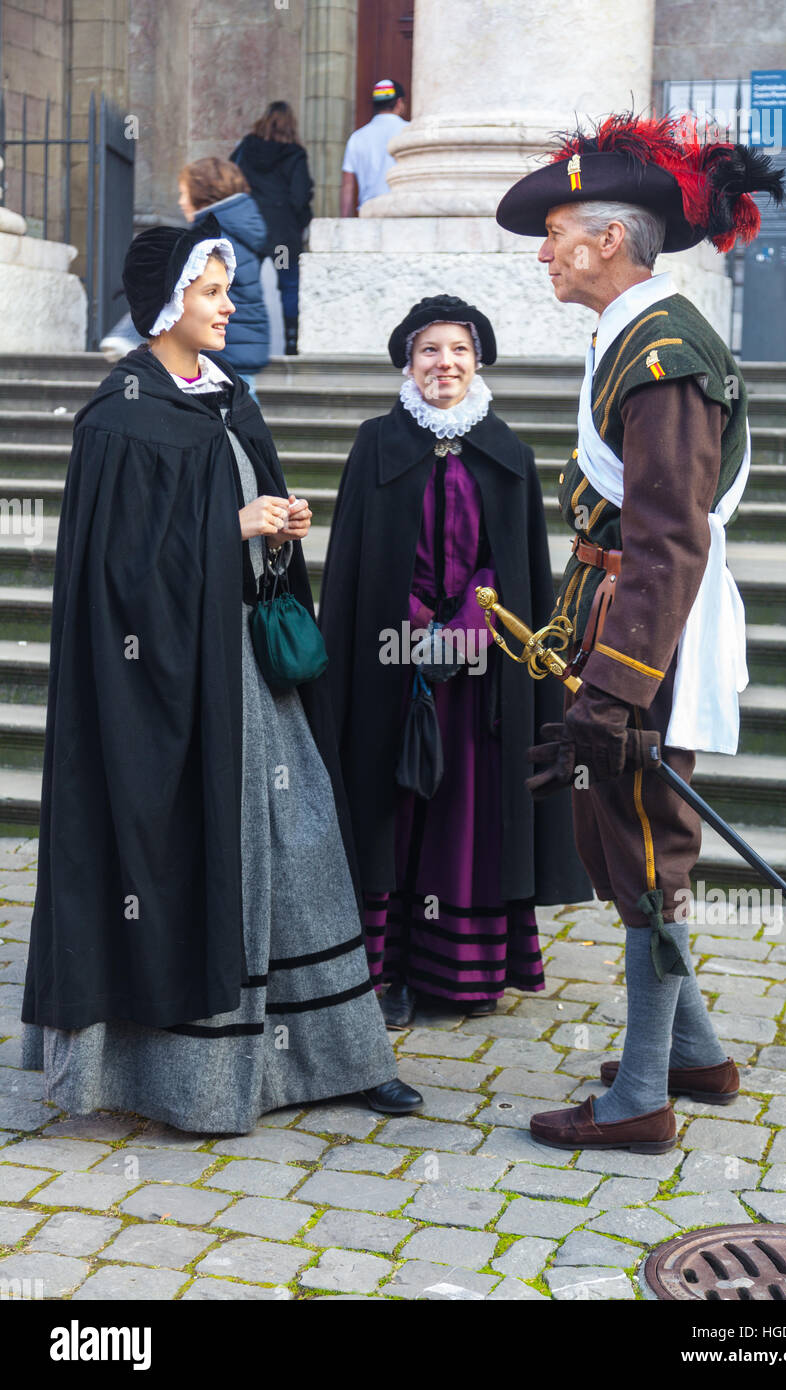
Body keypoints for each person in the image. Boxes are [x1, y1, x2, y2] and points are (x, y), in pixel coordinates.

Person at [20, 213, 422, 1132]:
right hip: (169, 685)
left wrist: (277, 524)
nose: (228, 307)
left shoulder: (228, 393)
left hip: (253, 668)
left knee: (305, 841)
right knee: (211, 854)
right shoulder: (120, 417)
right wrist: (229, 530)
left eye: (227, 290)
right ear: (167, 305)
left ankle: (339, 1053)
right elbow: (113, 576)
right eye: (211, 293)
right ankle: (190, 1080)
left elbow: (235, 503)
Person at [495, 113, 785, 1152]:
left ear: (607, 240)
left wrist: (613, 690)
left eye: (557, 231)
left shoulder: (662, 353)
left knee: (642, 847)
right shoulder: (634, 336)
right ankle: (691, 1055)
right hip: (627, 623)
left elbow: (668, 536)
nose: (544, 251)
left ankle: (640, 1100)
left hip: (651, 635)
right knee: (628, 839)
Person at [318, 294, 591, 1030]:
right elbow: (362, 569)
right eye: (430, 350)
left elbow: (511, 569)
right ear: (409, 362)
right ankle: (388, 973)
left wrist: (465, 631)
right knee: (396, 813)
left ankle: (460, 975)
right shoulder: (376, 445)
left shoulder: (508, 455)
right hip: (391, 670)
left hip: (478, 679)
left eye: (458, 351)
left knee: (463, 816)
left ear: (478, 361)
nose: (445, 364)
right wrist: (415, 634)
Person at [177, 156, 271, 398]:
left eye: (184, 194)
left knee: (237, 427)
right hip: (236, 347)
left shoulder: (212, 240)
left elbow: (179, 290)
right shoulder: (234, 232)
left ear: (201, 195)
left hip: (223, 350)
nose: (180, 202)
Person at [231, 101, 314, 356]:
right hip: (282, 233)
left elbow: (230, 180)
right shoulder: (295, 154)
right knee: (288, 285)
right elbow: (300, 196)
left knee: (244, 284)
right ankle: (291, 342)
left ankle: (242, 340)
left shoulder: (246, 148)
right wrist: (299, 222)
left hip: (250, 228)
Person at [340, 79, 408, 216]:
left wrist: (343, 221)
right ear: (399, 103)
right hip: (402, 212)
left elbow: (348, 185)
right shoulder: (409, 131)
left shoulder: (357, 137)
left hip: (368, 213)